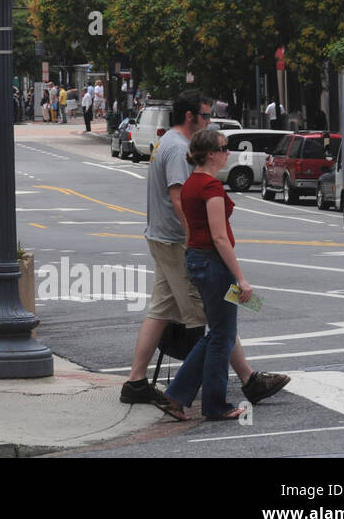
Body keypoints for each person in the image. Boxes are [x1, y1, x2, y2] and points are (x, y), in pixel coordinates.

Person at [119, 91, 289, 407]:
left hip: (164, 239)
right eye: (206, 115)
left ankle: (136, 381)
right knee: (213, 316)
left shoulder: (168, 142)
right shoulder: (179, 150)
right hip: (180, 244)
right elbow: (180, 201)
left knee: (162, 309)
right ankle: (242, 381)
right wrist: (195, 244)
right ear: (190, 116)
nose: (209, 120)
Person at [159, 129, 255, 420]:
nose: (228, 153)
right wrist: (241, 278)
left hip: (197, 260)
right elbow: (219, 236)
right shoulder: (211, 188)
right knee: (222, 335)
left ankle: (176, 395)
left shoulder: (190, 185)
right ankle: (214, 404)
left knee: (218, 333)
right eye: (225, 148)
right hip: (213, 263)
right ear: (211, 153)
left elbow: (193, 231)